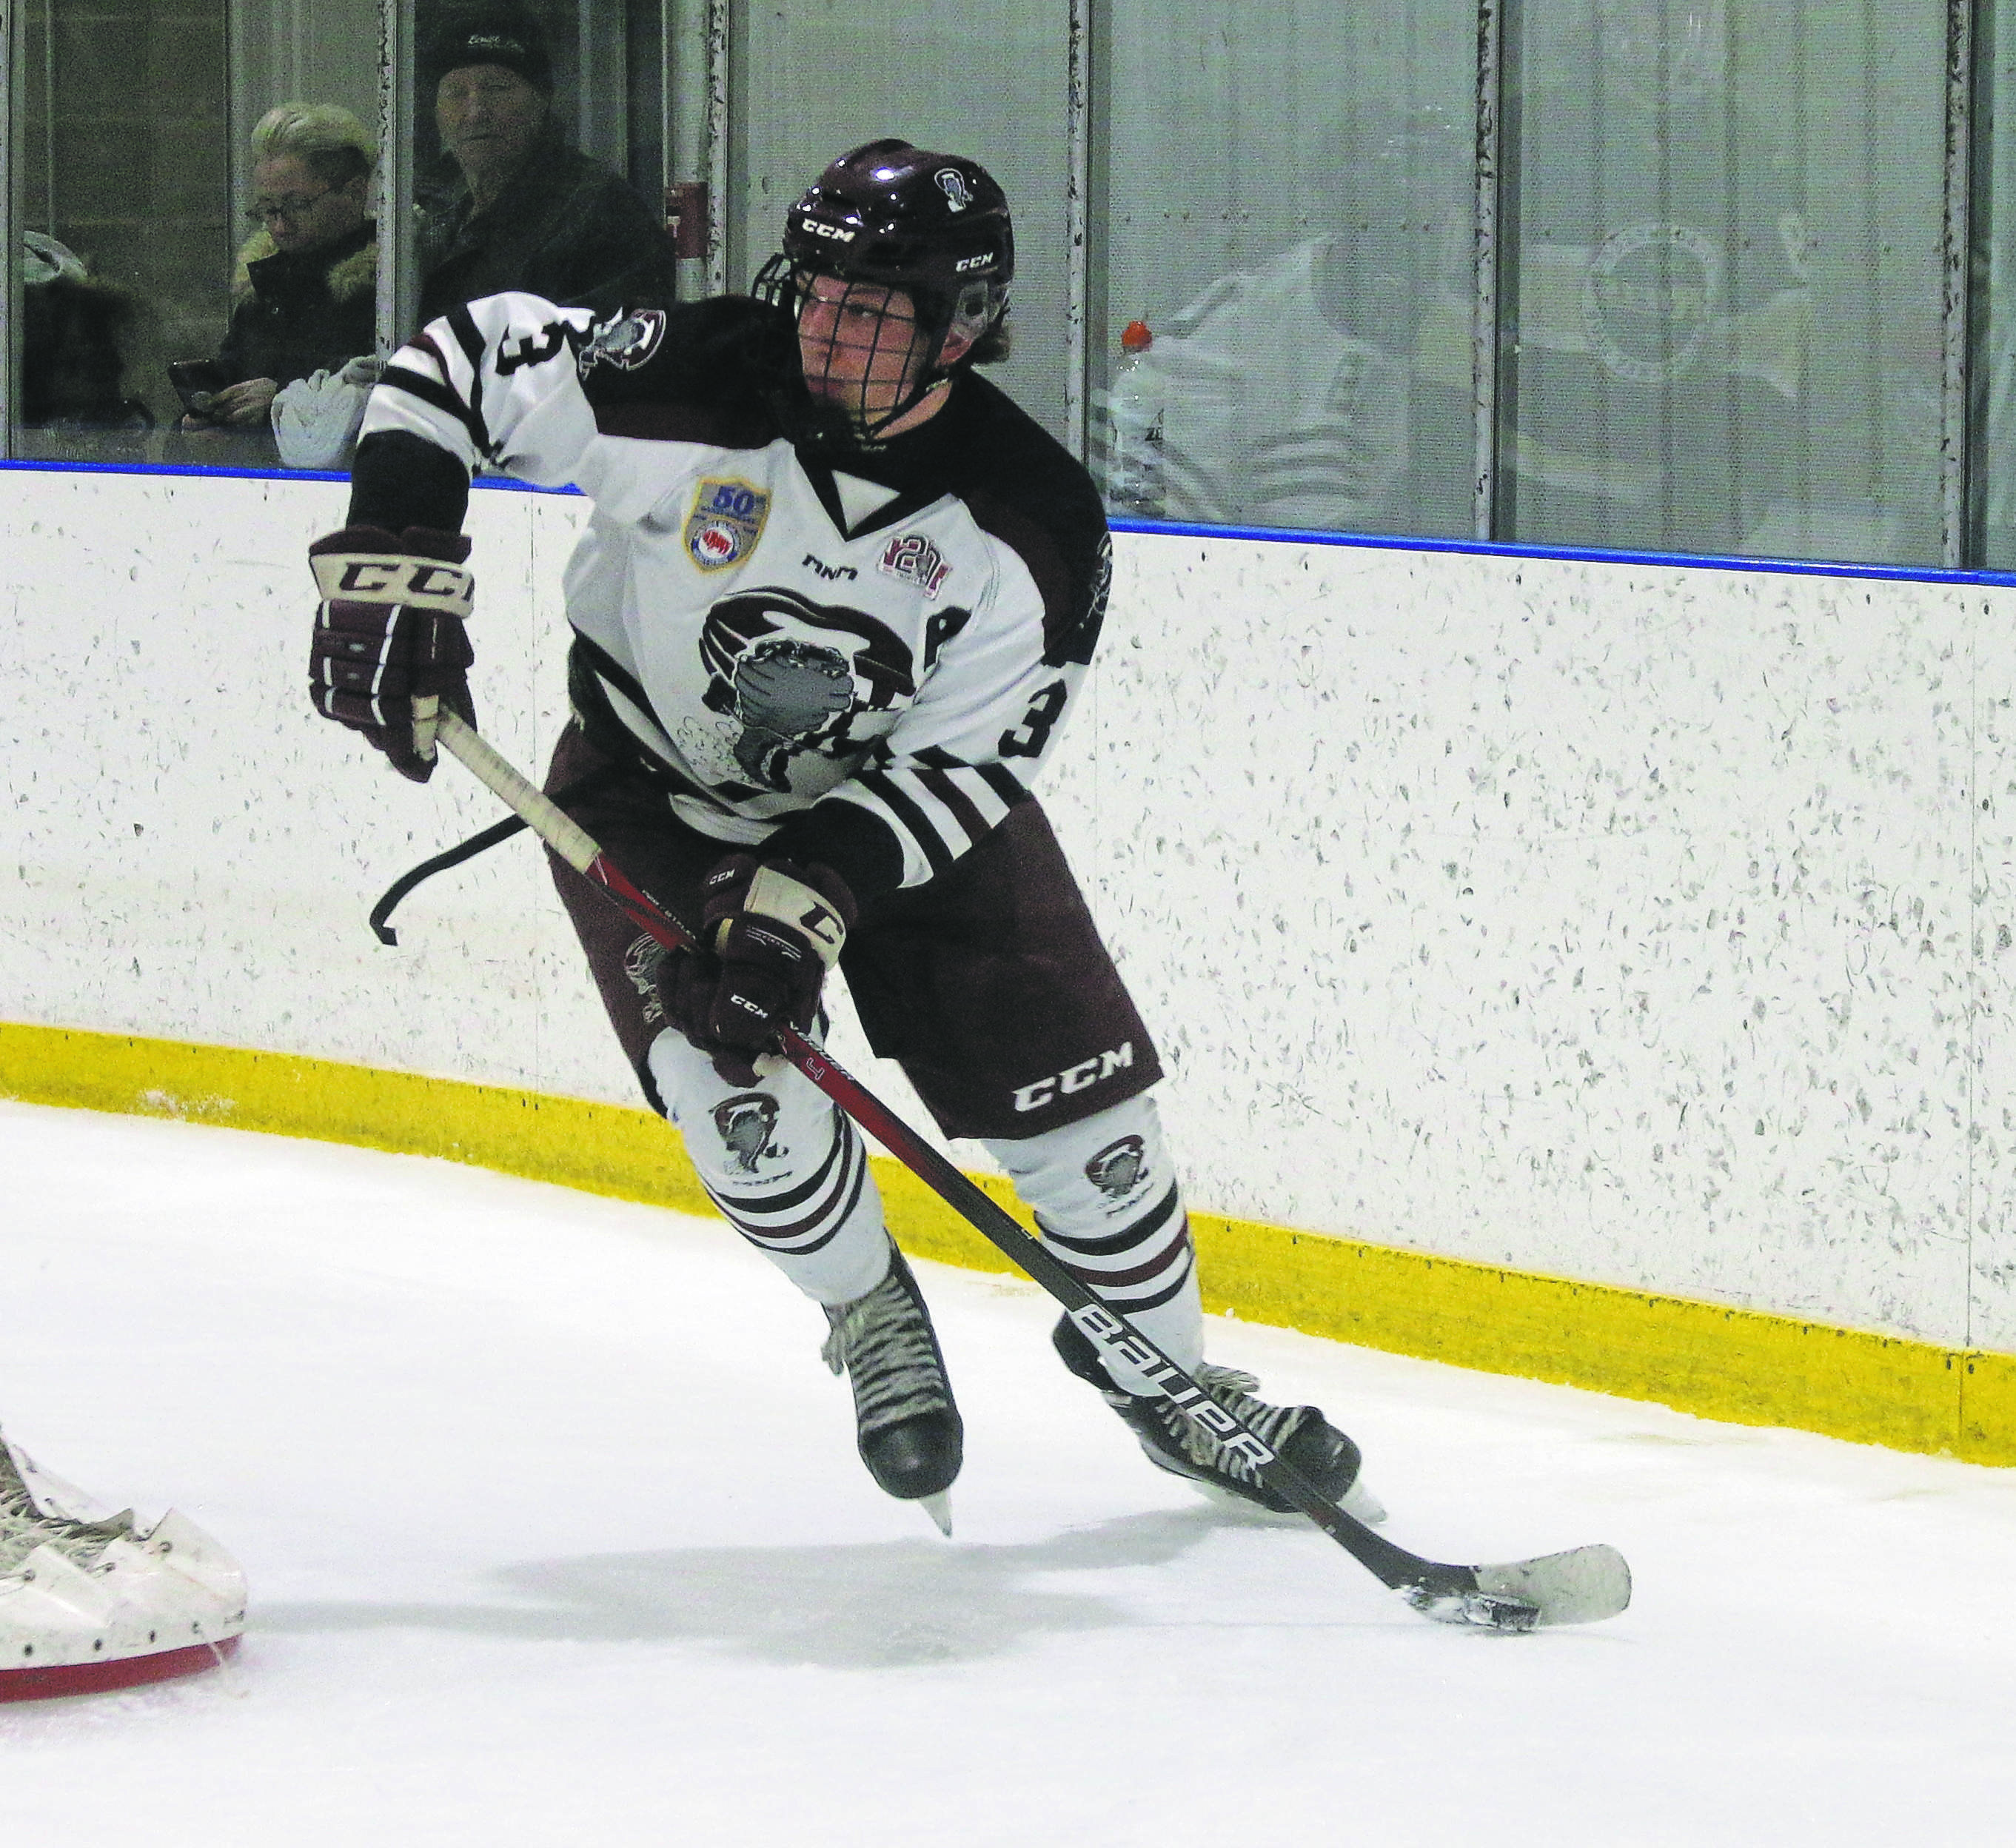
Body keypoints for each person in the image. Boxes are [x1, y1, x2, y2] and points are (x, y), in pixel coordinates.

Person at [306, 140, 1380, 1532]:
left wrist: (807, 899)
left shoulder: (1032, 517)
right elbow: (458, 360)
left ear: (965, 326)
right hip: (651, 795)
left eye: (877, 311)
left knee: (1093, 1121)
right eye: (818, 292)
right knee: (737, 1097)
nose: (831, 331)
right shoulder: (688, 378)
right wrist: (397, 562)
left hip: (899, 824)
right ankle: (868, 1309)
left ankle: (1170, 1385)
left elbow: (970, 761)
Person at [415, 7, 677, 324]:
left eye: (496, 89)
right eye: (456, 93)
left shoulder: (598, 209)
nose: (474, 112)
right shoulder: (427, 214)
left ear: (542, 99)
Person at [184, 103, 380, 449]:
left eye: (297, 205)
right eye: (267, 209)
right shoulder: (263, 289)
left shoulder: (388, 289)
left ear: (354, 192)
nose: (279, 224)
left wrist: (280, 403)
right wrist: (202, 421)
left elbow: (372, 394)